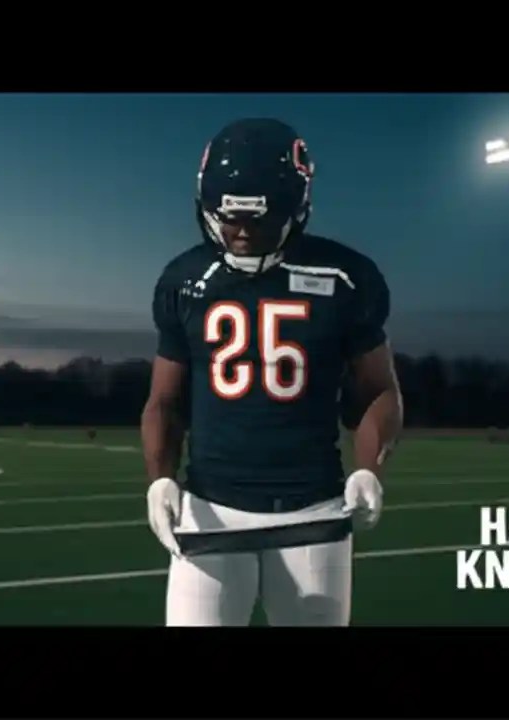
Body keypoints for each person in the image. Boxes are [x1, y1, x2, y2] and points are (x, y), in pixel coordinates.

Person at [140, 117, 403, 626]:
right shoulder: (184, 279)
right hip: (210, 507)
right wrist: (159, 479)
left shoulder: (347, 277)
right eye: (228, 216)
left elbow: (378, 390)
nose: (240, 231)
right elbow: (165, 401)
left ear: (297, 208)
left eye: (258, 220)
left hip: (314, 511)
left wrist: (371, 467)